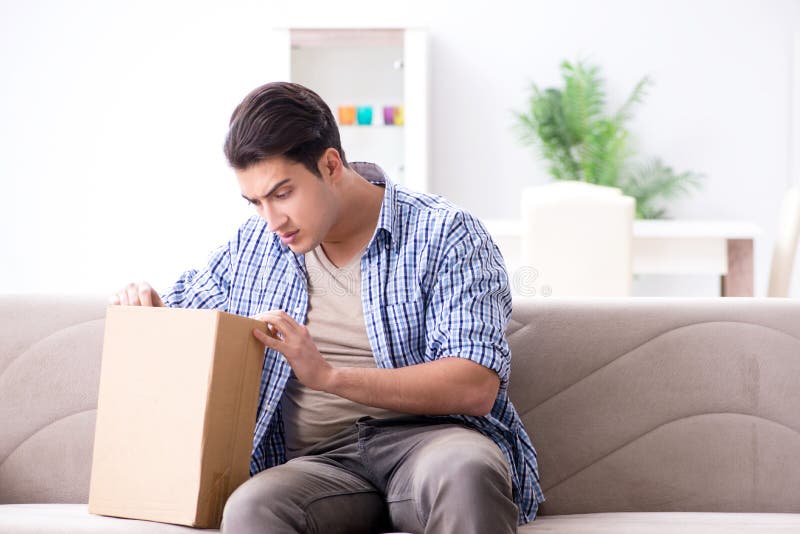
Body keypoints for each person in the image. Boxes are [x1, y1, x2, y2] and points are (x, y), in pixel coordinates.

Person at [110, 81, 543, 533]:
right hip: (318, 466)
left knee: (465, 472)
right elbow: (186, 319)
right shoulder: (253, 247)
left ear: (331, 165)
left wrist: (328, 377)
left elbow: (473, 386)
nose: (272, 220)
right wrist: (148, 308)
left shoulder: (444, 233)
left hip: (432, 443)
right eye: (256, 202)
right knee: (251, 508)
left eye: (282, 194)